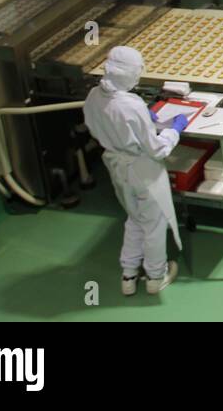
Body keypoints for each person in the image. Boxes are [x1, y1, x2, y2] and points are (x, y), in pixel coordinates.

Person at [83, 46, 185, 296]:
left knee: (135, 219)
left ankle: (128, 275)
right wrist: (175, 129)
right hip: (142, 170)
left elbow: (98, 125)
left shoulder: (94, 96)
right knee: (154, 223)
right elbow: (157, 149)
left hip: (117, 168)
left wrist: (141, 121)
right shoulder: (132, 104)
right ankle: (155, 276)